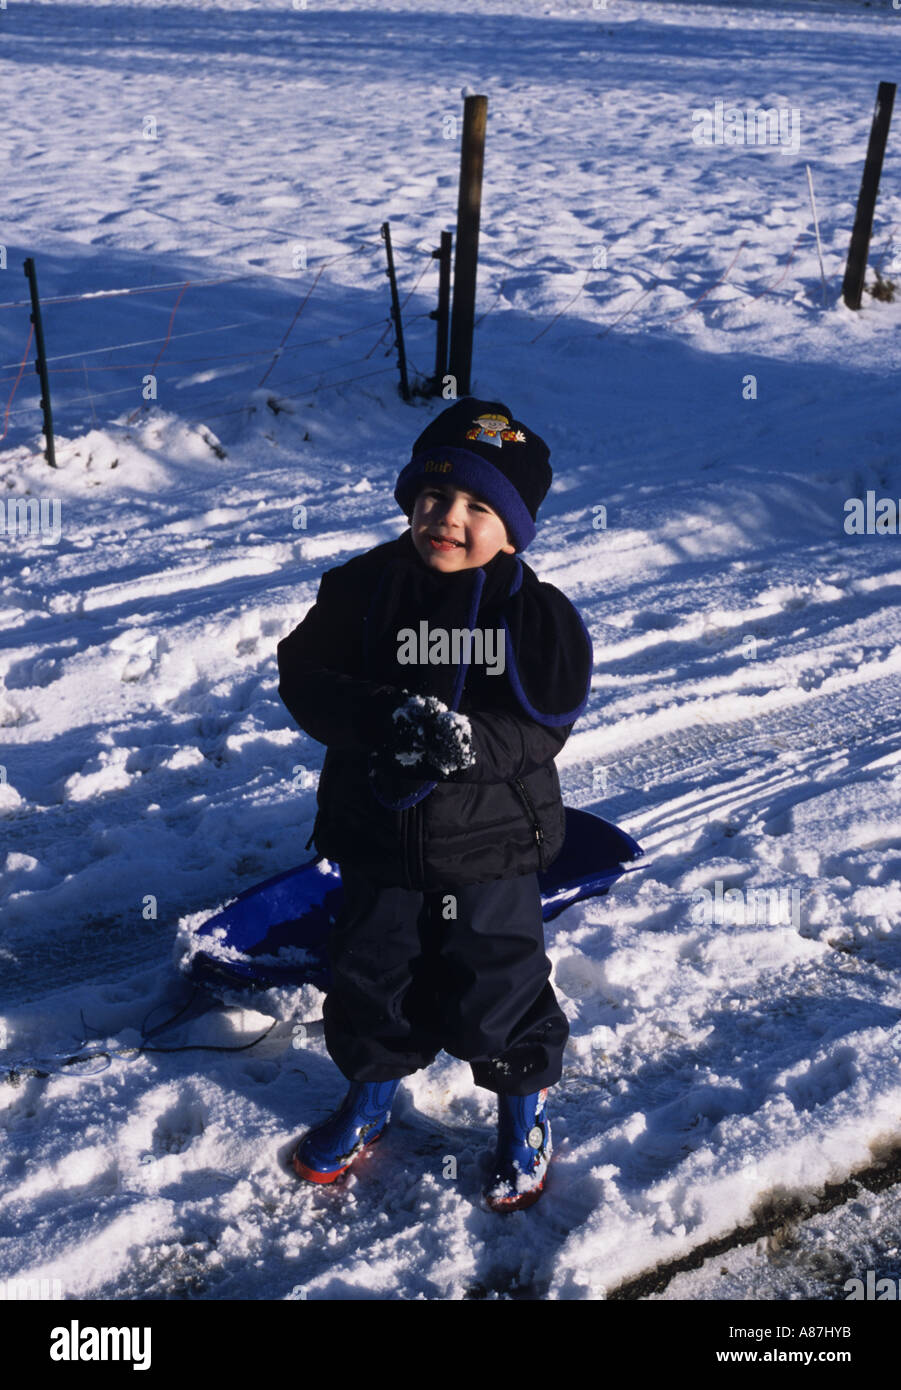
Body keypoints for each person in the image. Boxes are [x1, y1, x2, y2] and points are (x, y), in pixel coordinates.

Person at [276, 396, 593, 1211]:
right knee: (370, 973)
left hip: (487, 844)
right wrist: (380, 716)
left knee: (497, 982)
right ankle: (372, 1097)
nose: (447, 518)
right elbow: (305, 677)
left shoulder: (530, 613)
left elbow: (542, 722)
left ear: (513, 530)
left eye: (477, 506)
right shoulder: (363, 588)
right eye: (432, 498)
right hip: (378, 831)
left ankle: (522, 1110)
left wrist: (465, 745)